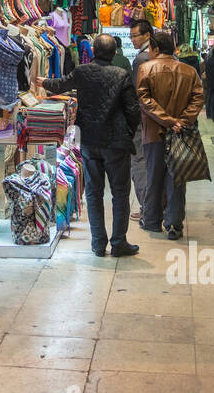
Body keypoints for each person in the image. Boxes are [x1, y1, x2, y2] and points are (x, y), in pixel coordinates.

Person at [40, 34, 142, 257]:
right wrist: (128, 132)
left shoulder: (82, 71)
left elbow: (59, 85)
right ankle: (118, 243)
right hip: (116, 143)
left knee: (94, 194)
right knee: (120, 193)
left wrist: (42, 82)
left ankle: (98, 244)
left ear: (93, 51)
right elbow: (133, 111)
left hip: (89, 141)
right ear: (115, 52)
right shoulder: (122, 74)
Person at [135, 30, 204, 239]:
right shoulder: (189, 71)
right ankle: (174, 224)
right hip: (181, 132)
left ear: (154, 48)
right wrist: (181, 121)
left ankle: (152, 220)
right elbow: (198, 98)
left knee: (153, 176)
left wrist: (167, 120)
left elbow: (145, 101)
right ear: (173, 48)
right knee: (177, 178)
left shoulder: (145, 69)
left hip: (154, 133)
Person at [128, 19, 154, 224]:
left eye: (135, 36)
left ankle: (147, 208)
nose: (132, 40)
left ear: (147, 35)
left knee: (138, 161)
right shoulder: (158, 55)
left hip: (142, 118)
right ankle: (153, 206)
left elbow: (137, 92)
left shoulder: (141, 60)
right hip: (156, 117)